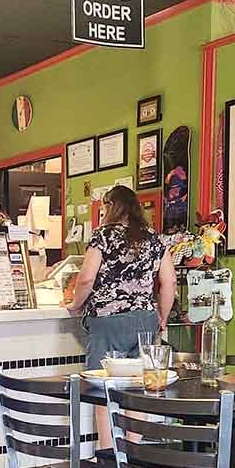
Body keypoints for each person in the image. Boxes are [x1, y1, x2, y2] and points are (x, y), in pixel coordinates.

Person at [68, 185, 177, 446]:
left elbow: (86, 279)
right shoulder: (154, 238)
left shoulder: (103, 236)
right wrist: (162, 316)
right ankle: (133, 451)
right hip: (144, 319)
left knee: (103, 387)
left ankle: (107, 453)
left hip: (107, 321)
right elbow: (169, 282)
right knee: (138, 386)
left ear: (110, 206)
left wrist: (75, 304)